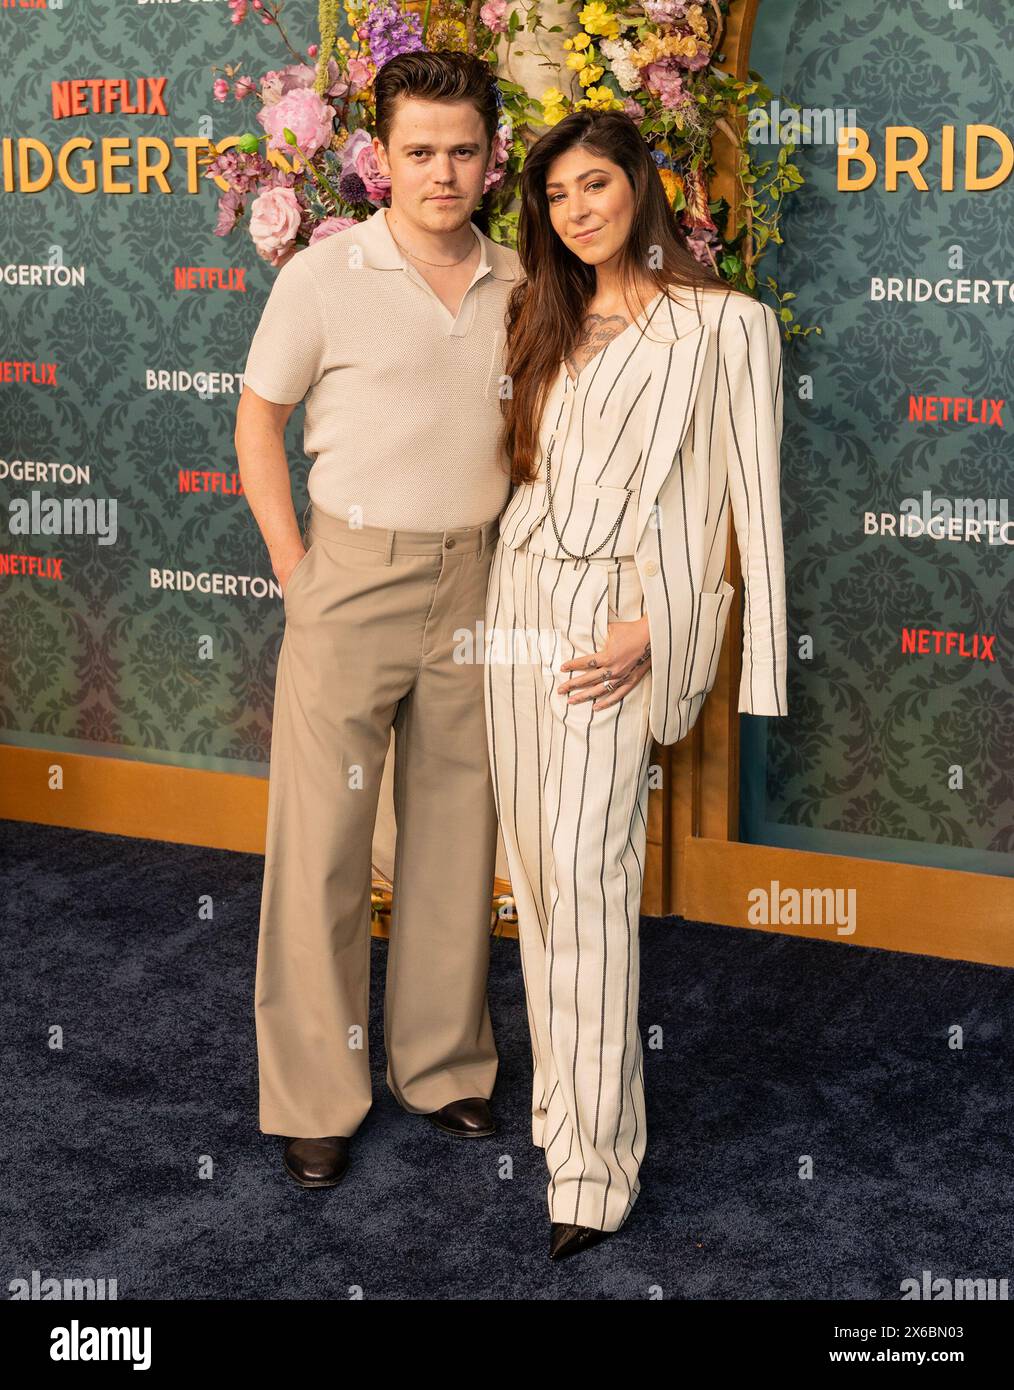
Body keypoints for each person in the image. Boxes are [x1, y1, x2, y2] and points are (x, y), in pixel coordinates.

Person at [483, 110, 788, 1259]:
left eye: (596, 184)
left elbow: (745, 508)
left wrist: (665, 627)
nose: (578, 210)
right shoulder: (542, 313)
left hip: (618, 629)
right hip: (518, 611)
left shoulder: (726, 326)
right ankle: (558, 1121)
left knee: (593, 882)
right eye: (557, 195)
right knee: (541, 884)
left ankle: (596, 1168)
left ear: (642, 185)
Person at [235, 51, 520, 1189]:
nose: (441, 173)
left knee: (457, 835)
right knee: (322, 849)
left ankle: (446, 1068)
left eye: (462, 151)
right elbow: (259, 424)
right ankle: (314, 1095)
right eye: (419, 152)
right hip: (350, 577)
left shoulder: (523, 279)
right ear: (377, 159)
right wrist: (296, 568)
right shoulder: (323, 275)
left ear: (491, 156)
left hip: (481, 580)